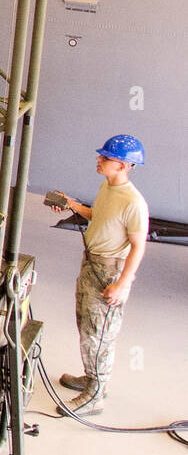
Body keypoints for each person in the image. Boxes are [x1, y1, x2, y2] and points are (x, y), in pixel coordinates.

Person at [46, 134, 149, 417]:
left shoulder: (134, 202)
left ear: (124, 165)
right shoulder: (108, 188)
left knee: (100, 334)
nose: (99, 160)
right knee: (87, 327)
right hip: (92, 264)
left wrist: (122, 283)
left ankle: (96, 396)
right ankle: (92, 379)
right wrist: (73, 206)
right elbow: (99, 216)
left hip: (109, 272)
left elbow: (139, 246)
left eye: (105, 158)